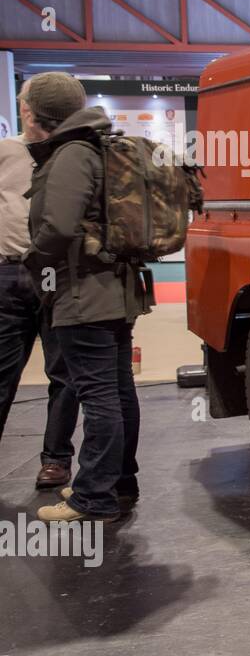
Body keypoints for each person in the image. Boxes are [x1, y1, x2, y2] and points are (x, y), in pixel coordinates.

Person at [21, 73, 154, 523]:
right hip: (114, 291)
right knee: (116, 392)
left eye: (24, 104)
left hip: (83, 294)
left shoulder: (71, 153)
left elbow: (56, 228)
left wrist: (32, 261)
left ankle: (92, 497)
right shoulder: (95, 145)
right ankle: (119, 483)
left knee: (99, 395)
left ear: (33, 112)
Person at [0, 132, 79, 491]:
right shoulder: (6, 152)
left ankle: (56, 460)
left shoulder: (74, 153)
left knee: (62, 373)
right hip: (9, 270)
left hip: (56, 272)